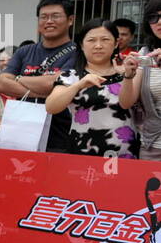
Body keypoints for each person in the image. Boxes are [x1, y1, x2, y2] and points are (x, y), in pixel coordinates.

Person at [44, 19, 138, 158]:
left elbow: (128, 103)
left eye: (105, 39)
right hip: (82, 151)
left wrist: (128, 76)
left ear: (116, 43)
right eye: (91, 40)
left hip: (124, 152)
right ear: (82, 45)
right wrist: (78, 85)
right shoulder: (71, 76)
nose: (98, 45)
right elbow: (51, 107)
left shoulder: (129, 72)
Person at [0, 0, 78, 153]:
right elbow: (2, 83)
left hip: (59, 136)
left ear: (70, 20)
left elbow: (54, 83)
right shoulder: (25, 51)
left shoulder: (77, 52)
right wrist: (46, 93)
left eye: (55, 16)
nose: (48, 21)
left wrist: (19, 78)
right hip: (21, 132)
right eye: (43, 17)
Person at [120, 0, 161, 160]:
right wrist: (128, 75)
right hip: (153, 147)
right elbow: (126, 103)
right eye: (153, 17)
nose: (159, 22)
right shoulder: (145, 54)